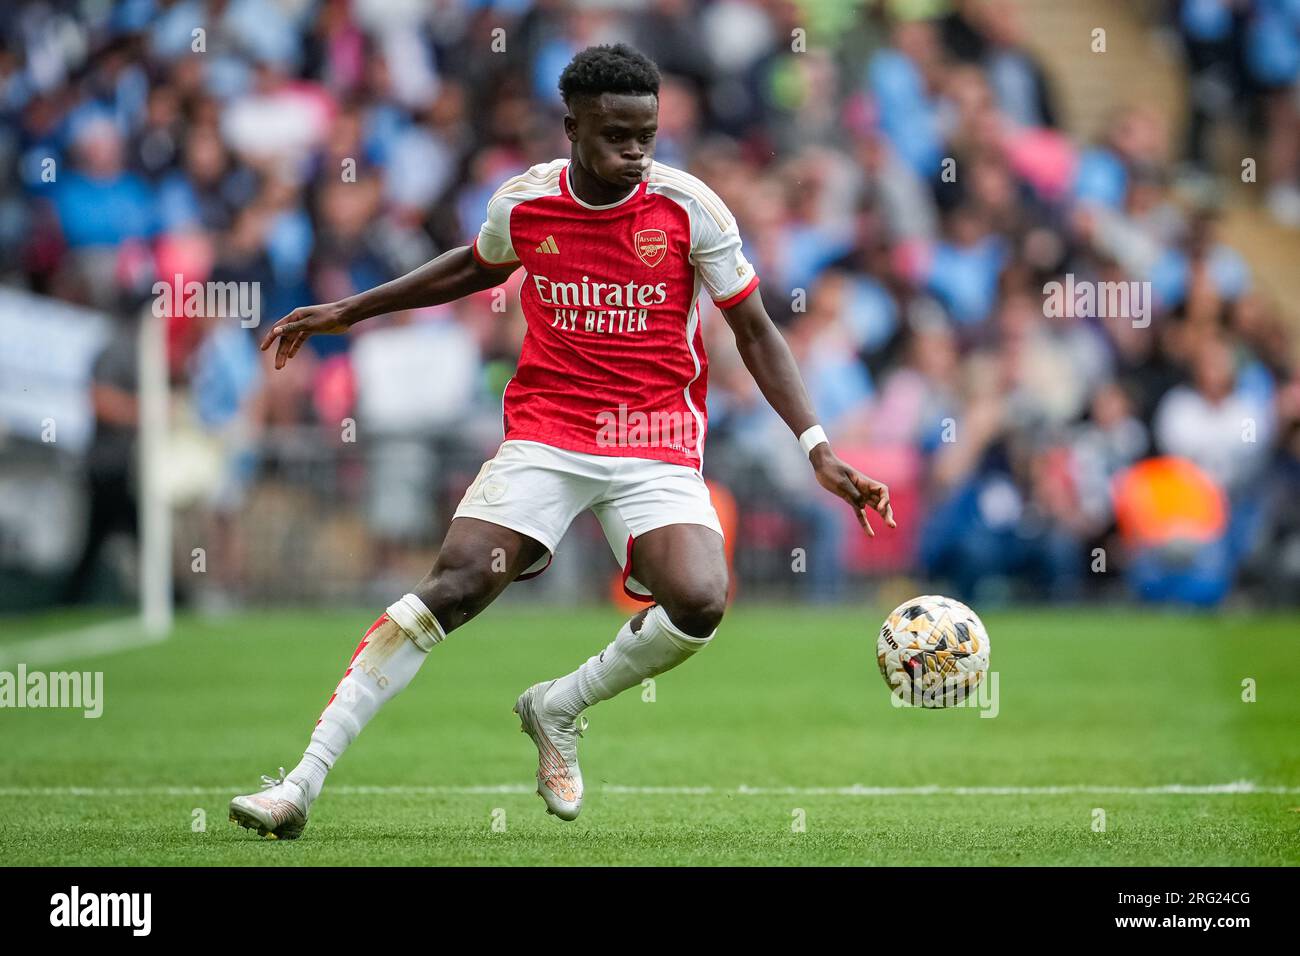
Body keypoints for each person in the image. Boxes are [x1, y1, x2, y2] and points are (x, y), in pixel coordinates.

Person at [229, 44, 894, 839]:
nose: (636, 152)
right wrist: (348, 311)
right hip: (549, 433)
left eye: (647, 134)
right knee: (457, 584)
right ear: (572, 125)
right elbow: (471, 269)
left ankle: (558, 707)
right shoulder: (526, 203)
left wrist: (815, 444)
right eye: (617, 135)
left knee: (701, 600)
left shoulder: (690, 209)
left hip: (655, 440)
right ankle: (299, 783)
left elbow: (754, 330)